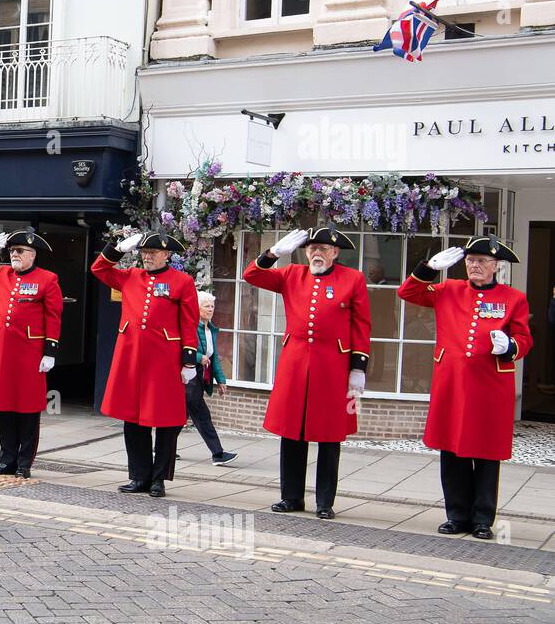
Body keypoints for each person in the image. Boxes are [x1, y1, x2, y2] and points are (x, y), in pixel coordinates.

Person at [396, 236, 532, 539]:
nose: (475, 266)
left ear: (496, 266)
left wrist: (510, 345)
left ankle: (483, 519)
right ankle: (457, 515)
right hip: (452, 383)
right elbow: (407, 292)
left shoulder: (513, 298)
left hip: (490, 385)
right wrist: (428, 268)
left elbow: (525, 339)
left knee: (486, 451)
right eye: (470, 261)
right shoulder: (448, 290)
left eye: (482, 261)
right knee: (452, 449)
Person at [243, 226, 371, 519]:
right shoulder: (292, 274)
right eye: (312, 248)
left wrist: (358, 368)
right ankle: (291, 497)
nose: (316, 253)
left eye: (323, 249)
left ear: (335, 253)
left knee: (329, 436)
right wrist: (274, 253)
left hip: (332, 369)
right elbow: (252, 275)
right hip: (295, 366)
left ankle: (325, 502)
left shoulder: (353, 279)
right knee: (292, 433)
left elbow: (362, 326)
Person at [91, 230, 199, 498]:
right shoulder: (130, 277)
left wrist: (188, 360)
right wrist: (117, 249)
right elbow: (99, 268)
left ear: (166, 255)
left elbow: (188, 321)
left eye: (152, 253)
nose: (147, 257)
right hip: (131, 358)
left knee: (165, 421)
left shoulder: (182, 281)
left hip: (163, 360)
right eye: (144, 253)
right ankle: (139, 476)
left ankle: (159, 478)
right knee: (133, 419)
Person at [0, 228, 62, 479]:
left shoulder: (47, 279)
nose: (14, 255)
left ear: (32, 254)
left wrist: (50, 350)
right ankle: (6, 460)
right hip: (1, 353)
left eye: (19, 251)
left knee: (28, 410)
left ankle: (24, 463)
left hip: (29, 354)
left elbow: (53, 317)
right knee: (5, 408)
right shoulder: (1, 274)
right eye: (11, 251)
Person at [189, 290, 237, 465]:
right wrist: (197, 356)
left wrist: (221, 380)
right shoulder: (191, 326)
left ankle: (160, 448)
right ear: (197, 308)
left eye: (212, 306)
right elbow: (181, 347)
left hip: (200, 376)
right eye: (206, 306)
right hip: (189, 376)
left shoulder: (211, 330)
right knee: (202, 416)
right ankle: (218, 453)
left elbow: (214, 357)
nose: (210, 309)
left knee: (183, 415)